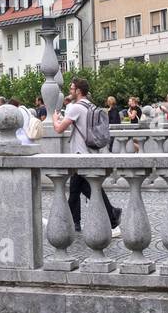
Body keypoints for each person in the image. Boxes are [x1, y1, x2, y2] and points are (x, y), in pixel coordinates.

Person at [51, 77, 121, 238]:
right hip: (91, 150)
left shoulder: (75, 108)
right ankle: (75, 222)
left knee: (87, 188)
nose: (70, 90)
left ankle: (112, 218)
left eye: (72, 88)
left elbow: (59, 129)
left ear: (78, 91)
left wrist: (55, 119)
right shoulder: (90, 105)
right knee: (78, 188)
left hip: (80, 154)